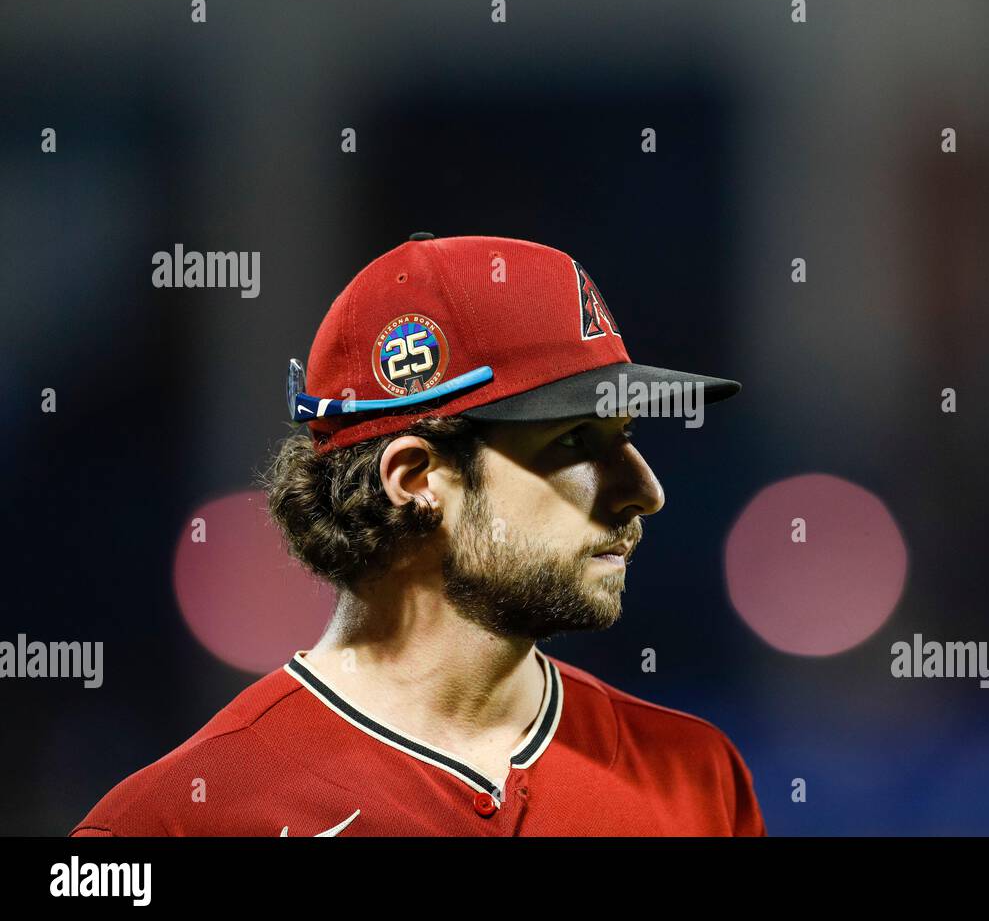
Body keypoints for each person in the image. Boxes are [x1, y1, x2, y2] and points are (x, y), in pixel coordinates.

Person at [71, 233, 765, 836]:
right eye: (577, 441)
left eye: (627, 434)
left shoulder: (698, 777)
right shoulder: (177, 820)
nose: (646, 491)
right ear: (415, 477)